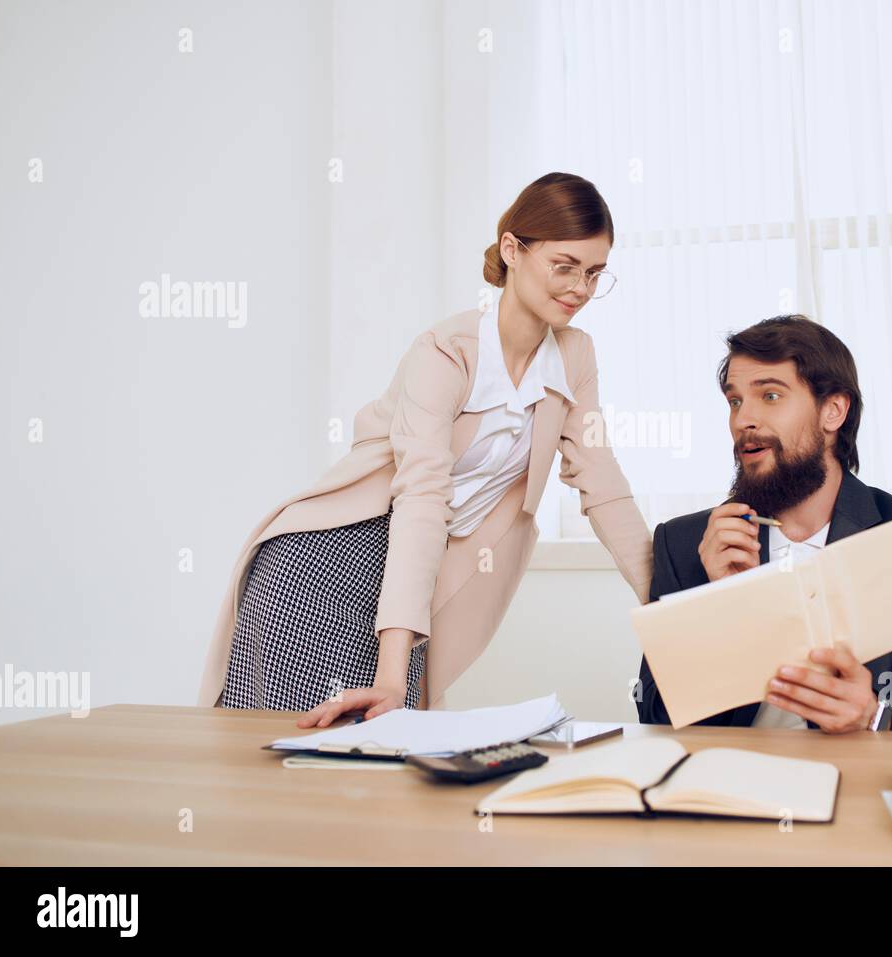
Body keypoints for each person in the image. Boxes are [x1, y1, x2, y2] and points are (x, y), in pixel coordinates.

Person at [197, 172, 653, 726]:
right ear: (512, 249)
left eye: (594, 273)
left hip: (414, 576)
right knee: (306, 758)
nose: (580, 288)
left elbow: (602, 482)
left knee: (386, 764)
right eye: (564, 266)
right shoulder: (445, 352)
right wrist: (393, 676)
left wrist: (668, 607)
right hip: (328, 562)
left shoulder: (575, 357)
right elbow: (421, 498)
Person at [635, 315, 892, 732]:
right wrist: (719, 603)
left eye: (771, 396)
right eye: (735, 401)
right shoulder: (685, 543)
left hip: (857, 782)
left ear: (832, 411)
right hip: (728, 786)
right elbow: (654, 718)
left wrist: (873, 715)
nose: (743, 420)